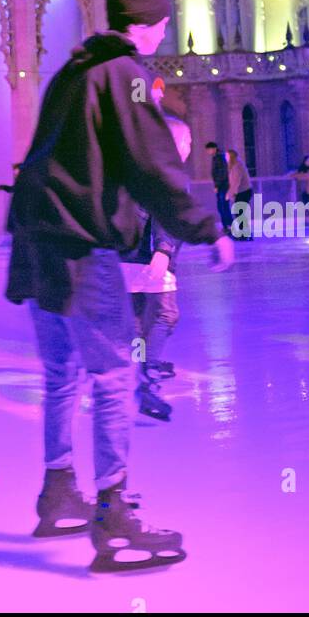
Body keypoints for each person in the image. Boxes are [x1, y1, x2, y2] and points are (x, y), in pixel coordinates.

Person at [6, 0, 233, 573]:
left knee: (61, 371)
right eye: (163, 22)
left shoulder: (73, 70)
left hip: (35, 240)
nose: (165, 32)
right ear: (148, 22)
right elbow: (151, 163)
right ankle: (115, 516)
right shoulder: (127, 77)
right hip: (80, 243)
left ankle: (58, 493)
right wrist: (205, 227)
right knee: (112, 374)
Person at [124, 113, 193, 421]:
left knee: (139, 320)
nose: (190, 146)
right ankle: (147, 376)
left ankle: (142, 368)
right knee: (167, 314)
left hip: (124, 256)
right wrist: (163, 250)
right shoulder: (169, 171)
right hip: (149, 256)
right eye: (188, 140)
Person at [205, 142, 233, 231]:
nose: (208, 152)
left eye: (208, 150)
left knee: (223, 206)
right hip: (222, 186)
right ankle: (227, 225)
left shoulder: (219, 157)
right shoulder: (217, 157)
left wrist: (217, 185)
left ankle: (228, 225)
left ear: (213, 149)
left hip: (223, 186)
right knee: (222, 206)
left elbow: (222, 173)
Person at [227, 148, 254, 239]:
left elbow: (236, 182)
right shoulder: (234, 165)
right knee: (240, 213)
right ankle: (245, 234)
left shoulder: (237, 166)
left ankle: (244, 234)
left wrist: (230, 194)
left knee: (239, 213)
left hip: (244, 192)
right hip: (242, 192)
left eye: (227, 156)